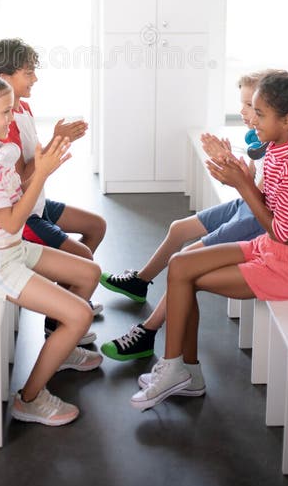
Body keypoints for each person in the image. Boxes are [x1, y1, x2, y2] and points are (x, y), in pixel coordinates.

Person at [129, 70, 288, 411]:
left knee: (187, 279)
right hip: (270, 250)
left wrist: (242, 185)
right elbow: (267, 202)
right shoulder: (278, 149)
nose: (252, 120)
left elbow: (280, 231)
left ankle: (178, 369)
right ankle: (185, 372)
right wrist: (243, 176)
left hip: (286, 266)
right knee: (181, 264)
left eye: (259, 114)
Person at [0, 71, 103, 427]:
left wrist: (44, 163)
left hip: (13, 250)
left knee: (89, 272)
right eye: (6, 111)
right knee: (81, 315)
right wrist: (43, 174)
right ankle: (30, 399)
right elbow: (9, 220)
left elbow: (17, 190)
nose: (12, 117)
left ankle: (60, 347)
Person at [99, 71, 269, 363]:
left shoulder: (278, 143)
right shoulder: (259, 137)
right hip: (246, 204)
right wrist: (232, 164)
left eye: (249, 105)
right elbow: (255, 184)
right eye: (242, 103)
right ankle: (140, 282)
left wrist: (234, 170)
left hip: (254, 217)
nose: (242, 111)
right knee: (179, 228)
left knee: (185, 260)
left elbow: (263, 199)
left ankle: (148, 331)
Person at [0, 38, 107, 338]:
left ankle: (71, 294)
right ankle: (59, 324)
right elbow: (21, 178)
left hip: (38, 201)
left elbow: (32, 159)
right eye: (28, 72)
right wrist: (57, 140)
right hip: (25, 212)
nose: (35, 78)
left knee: (96, 226)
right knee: (84, 259)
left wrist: (58, 140)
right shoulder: (5, 121)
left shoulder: (22, 106)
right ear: (4, 78)